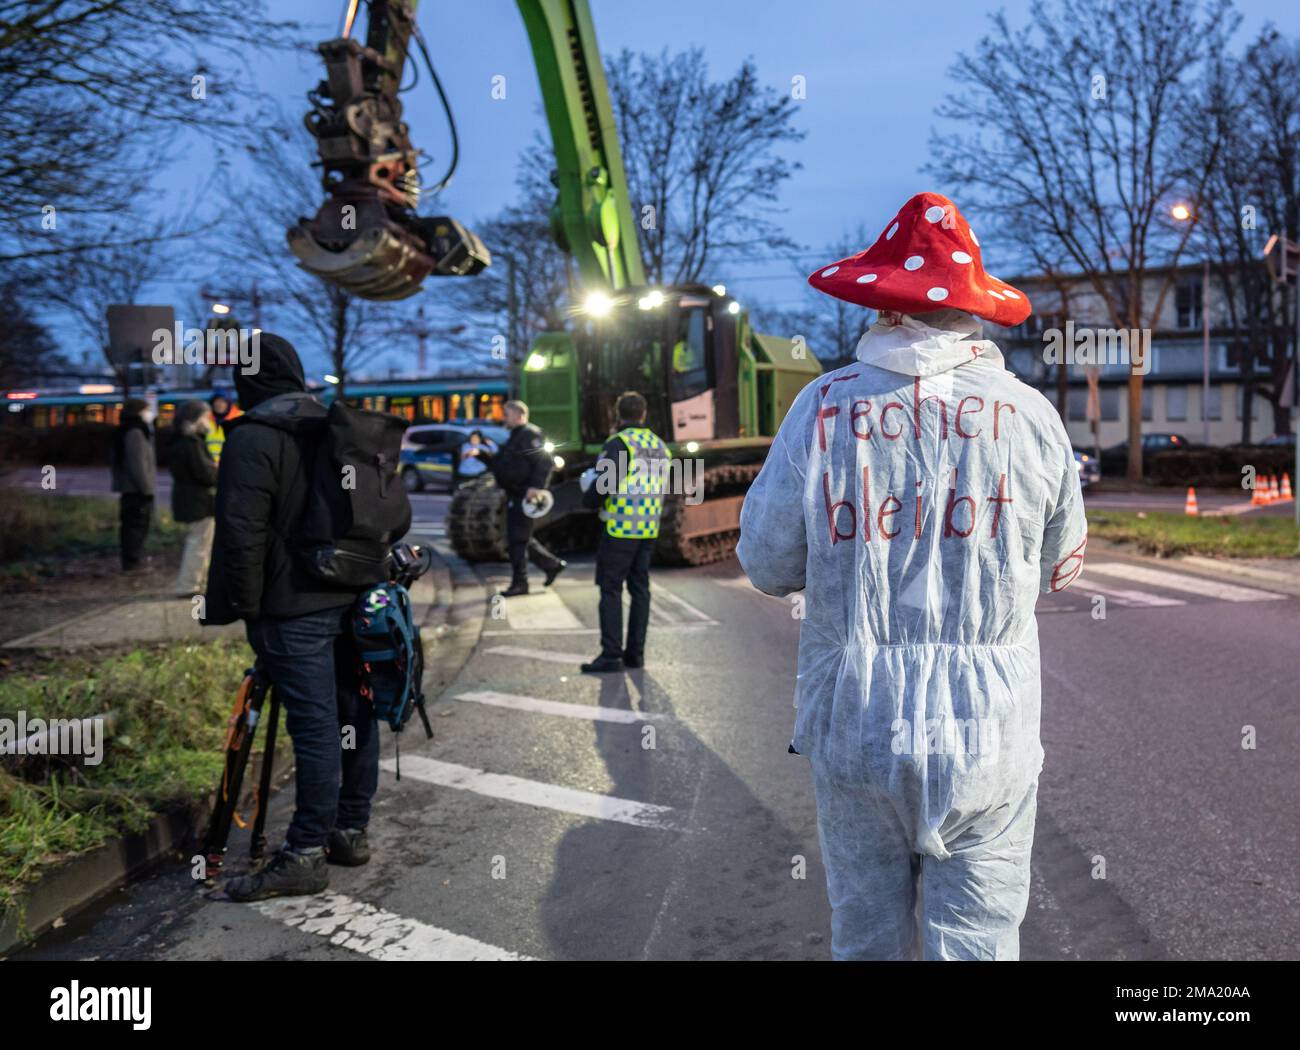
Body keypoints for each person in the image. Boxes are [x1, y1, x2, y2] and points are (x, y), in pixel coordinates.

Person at [737, 191, 1088, 961]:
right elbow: (1058, 565)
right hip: (988, 728)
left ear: (883, 305)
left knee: (866, 934)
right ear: (973, 312)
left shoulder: (821, 409)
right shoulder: (1030, 415)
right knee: (979, 938)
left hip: (857, 720)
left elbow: (766, 564)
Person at [202, 333, 377, 902]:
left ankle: (304, 856)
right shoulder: (332, 424)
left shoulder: (253, 437)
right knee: (354, 714)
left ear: (247, 379)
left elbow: (241, 533)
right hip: (351, 595)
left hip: (291, 608)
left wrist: (248, 608)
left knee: (316, 728)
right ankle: (348, 832)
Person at [578, 391, 669, 674]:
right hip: (648, 528)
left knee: (611, 589)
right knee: (640, 589)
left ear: (618, 414)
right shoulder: (658, 445)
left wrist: (588, 499)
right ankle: (635, 655)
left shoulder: (619, 443)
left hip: (620, 528)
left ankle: (611, 655)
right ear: (643, 414)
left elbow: (604, 484)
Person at [469, 400, 565, 597]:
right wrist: (481, 455)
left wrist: (535, 487)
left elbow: (544, 462)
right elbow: (501, 465)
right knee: (520, 537)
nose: (503, 418)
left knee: (517, 540)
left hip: (524, 495)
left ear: (520, 415)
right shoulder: (516, 435)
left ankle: (521, 582)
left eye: (507, 414)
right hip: (515, 494)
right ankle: (551, 565)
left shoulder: (530, 434)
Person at [168, 400, 219, 597]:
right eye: (205, 416)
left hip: (189, 498)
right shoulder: (192, 443)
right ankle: (189, 585)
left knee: (199, 541)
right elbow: (203, 474)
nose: (208, 420)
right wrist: (216, 470)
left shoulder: (180, 441)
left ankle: (195, 583)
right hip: (198, 500)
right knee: (199, 543)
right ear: (196, 419)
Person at [110, 398, 157, 573]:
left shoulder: (126, 430)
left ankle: (132, 561)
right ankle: (133, 563)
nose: (149, 414)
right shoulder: (135, 432)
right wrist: (146, 489)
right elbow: (137, 464)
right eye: (146, 410)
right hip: (136, 490)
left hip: (130, 489)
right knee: (136, 527)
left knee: (131, 526)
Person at [205, 390, 240, 466]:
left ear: (229, 403)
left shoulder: (239, 418)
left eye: (223, 401)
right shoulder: (205, 420)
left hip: (231, 465)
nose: (219, 404)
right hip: (209, 466)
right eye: (216, 401)